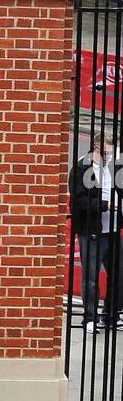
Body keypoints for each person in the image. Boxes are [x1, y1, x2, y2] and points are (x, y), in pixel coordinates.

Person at [69, 135, 123, 331]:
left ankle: (111, 315)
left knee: (118, 275)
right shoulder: (82, 168)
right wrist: (105, 205)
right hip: (92, 230)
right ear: (95, 147)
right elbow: (79, 201)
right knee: (90, 278)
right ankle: (89, 317)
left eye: (110, 153)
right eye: (106, 153)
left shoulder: (113, 167)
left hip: (114, 230)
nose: (109, 157)